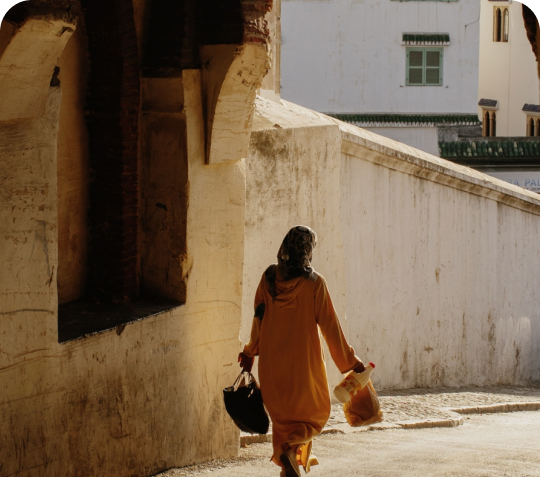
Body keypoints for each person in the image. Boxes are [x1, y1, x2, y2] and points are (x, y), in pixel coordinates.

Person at [238, 225, 365, 477]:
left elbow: (258, 319)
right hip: (303, 369)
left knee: (284, 421)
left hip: (273, 370)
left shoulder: (267, 279)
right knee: (315, 415)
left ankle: (289, 459)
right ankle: (290, 450)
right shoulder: (314, 285)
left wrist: (250, 352)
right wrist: (351, 362)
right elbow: (331, 329)